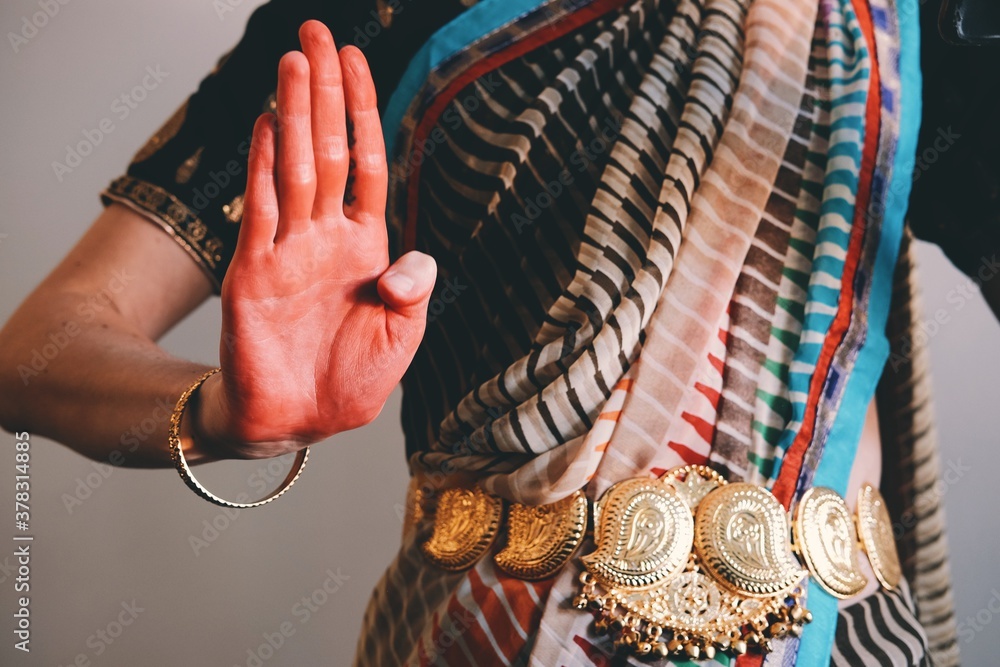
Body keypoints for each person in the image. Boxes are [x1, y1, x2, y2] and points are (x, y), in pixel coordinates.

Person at [1, 0, 996, 664]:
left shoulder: (913, 21)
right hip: (483, 634)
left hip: (825, 635)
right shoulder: (381, 16)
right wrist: (229, 414)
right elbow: (42, 346)